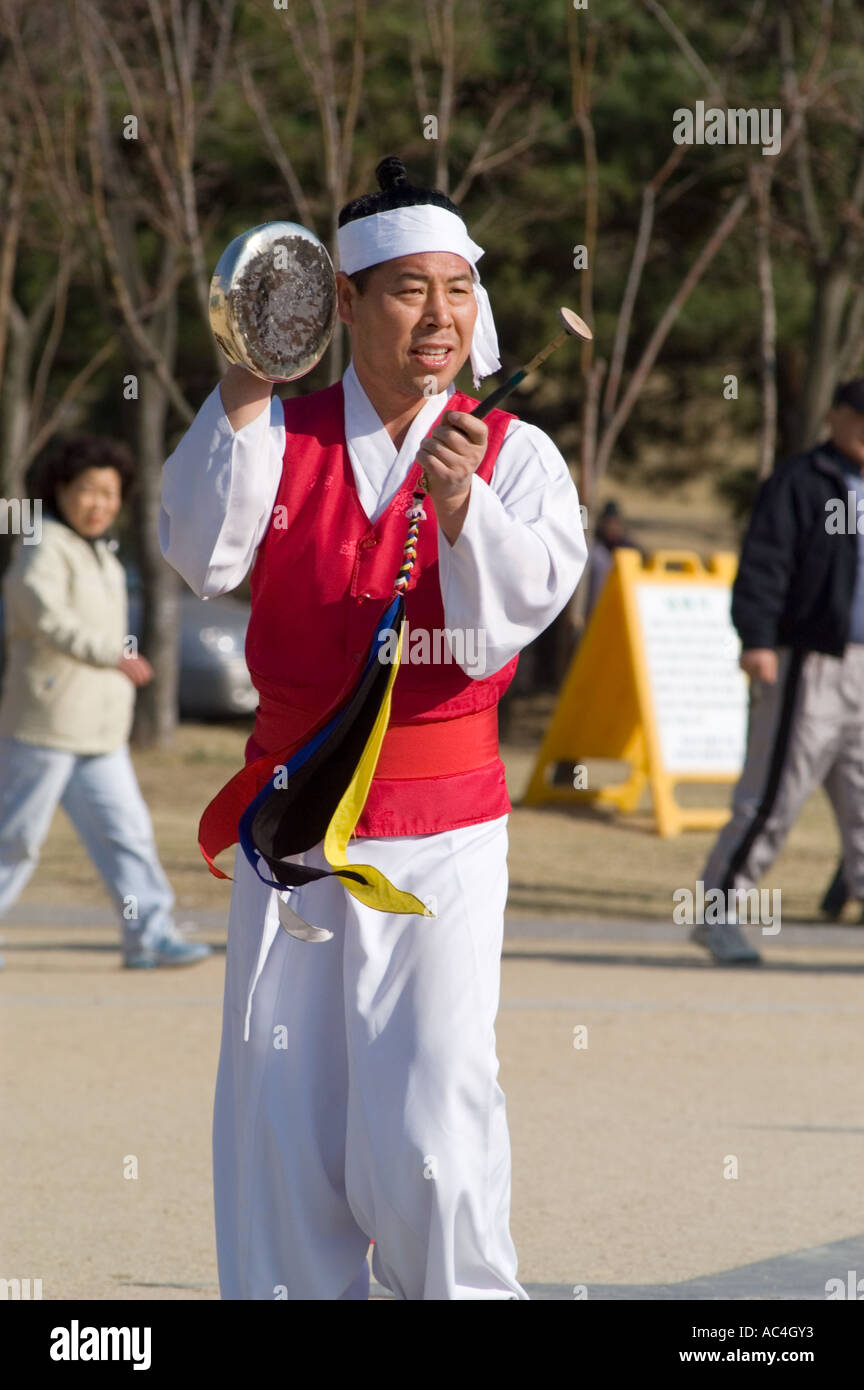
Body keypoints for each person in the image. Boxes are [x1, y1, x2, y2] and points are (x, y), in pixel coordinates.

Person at [159, 156, 587, 1300]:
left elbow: (515, 617)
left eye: (457, 288)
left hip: (443, 831)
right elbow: (201, 554)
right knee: (284, 1131)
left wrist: (462, 507)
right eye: (408, 289)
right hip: (296, 828)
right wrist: (244, 384)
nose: (440, 315)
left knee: (433, 1119)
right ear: (342, 303)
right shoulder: (278, 429)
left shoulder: (515, 455)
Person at [0, 436, 211, 970]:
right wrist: (109, 654)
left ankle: (149, 936)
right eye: (88, 491)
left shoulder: (100, 552)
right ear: (61, 491)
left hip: (99, 732)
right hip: (45, 727)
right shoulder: (42, 542)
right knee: (15, 838)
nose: (99, 504)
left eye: (110, 494)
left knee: (129, 835)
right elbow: (44, 616)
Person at [692, 379, 864, 965]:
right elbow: (764, 564)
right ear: (837, 417)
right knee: (774, 795)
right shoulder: (802, 481)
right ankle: (716, 912)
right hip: (810, 659)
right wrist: (759, 640)